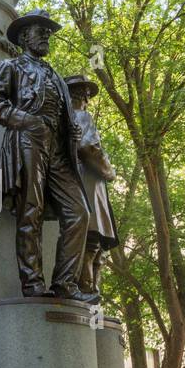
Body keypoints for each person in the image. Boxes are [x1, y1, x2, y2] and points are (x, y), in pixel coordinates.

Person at [0, 10, 93, 302]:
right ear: (23, 36)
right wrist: (26, 121)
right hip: (28, 141)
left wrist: (71, 133)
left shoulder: (55, 75)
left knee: (79, 212)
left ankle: (64, 283)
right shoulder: (11, 66)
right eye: (39, 30)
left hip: (58, 150)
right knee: (31, 212)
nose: (46, 35)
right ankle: (32, 282)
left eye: (47, 31)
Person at [64, 73, 119, 302]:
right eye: (84, 94)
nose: (86, 99)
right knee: (92, 238)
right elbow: (90, 149)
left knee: (91, 239)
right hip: (88, 182)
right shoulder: (81, 116)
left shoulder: (62, 119)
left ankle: (88, 286)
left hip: (79, 182)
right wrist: (110, 171)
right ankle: (87, 287)